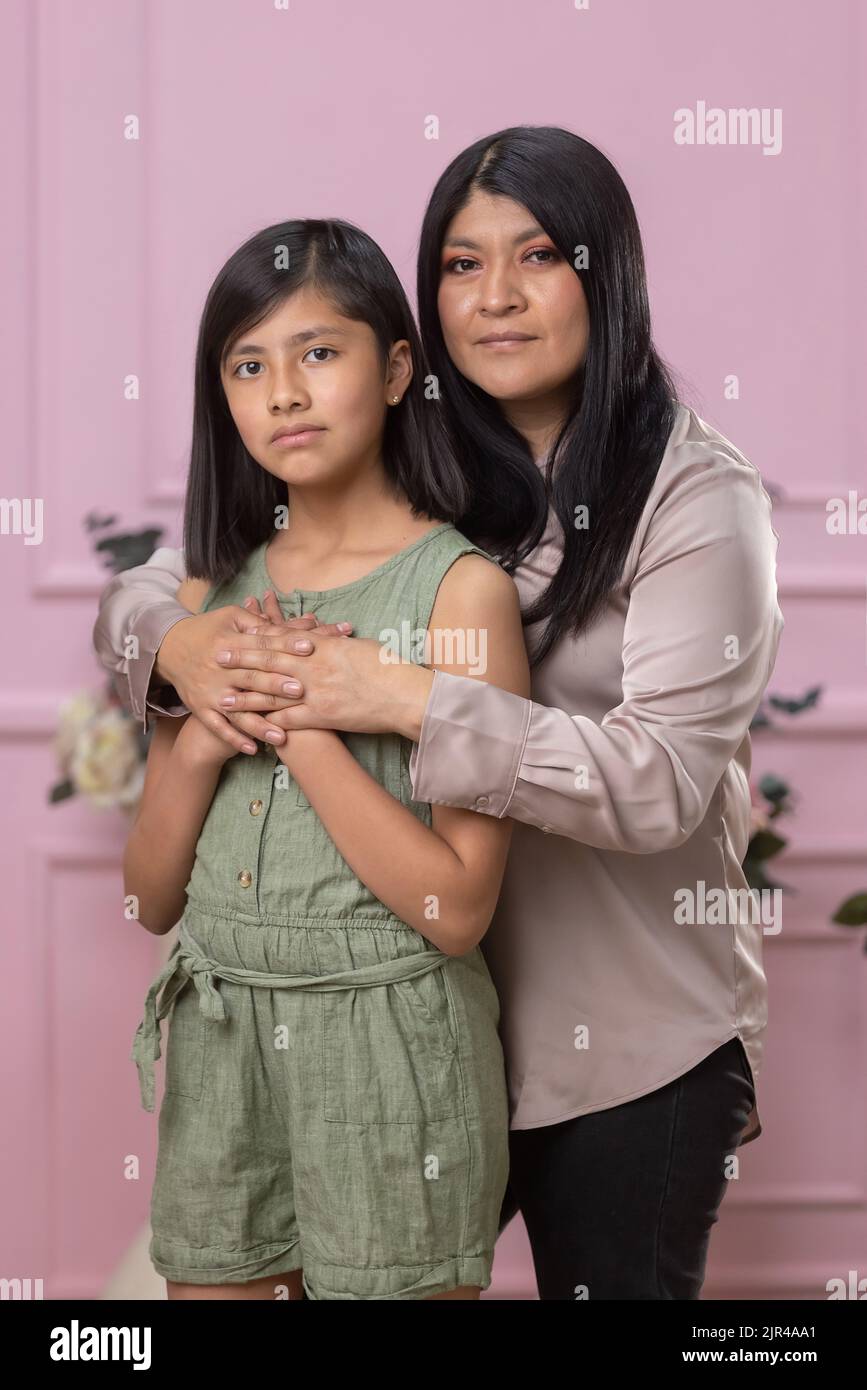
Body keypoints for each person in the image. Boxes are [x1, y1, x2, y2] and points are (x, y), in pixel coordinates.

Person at [96, 126, 784, 1299]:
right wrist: (185, 650)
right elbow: (186, 575)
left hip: (621, 1046)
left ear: (605, 273)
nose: (497, 298)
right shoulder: (433, 457)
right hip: (418, 1023)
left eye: (538, 257)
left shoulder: (696, 499)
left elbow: (660, 781)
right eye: (462, 265)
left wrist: (390, 696)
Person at [121, 215, 530, 1300]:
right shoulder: (206, 602)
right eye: (248, 365)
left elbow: (459, 909)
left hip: (393, 1050)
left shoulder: (461, 594)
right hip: (223, 1042)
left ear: (398, 369)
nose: (284, 393)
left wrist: (302, 730)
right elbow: (152, 897)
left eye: (318, 353)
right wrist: (202, 737)